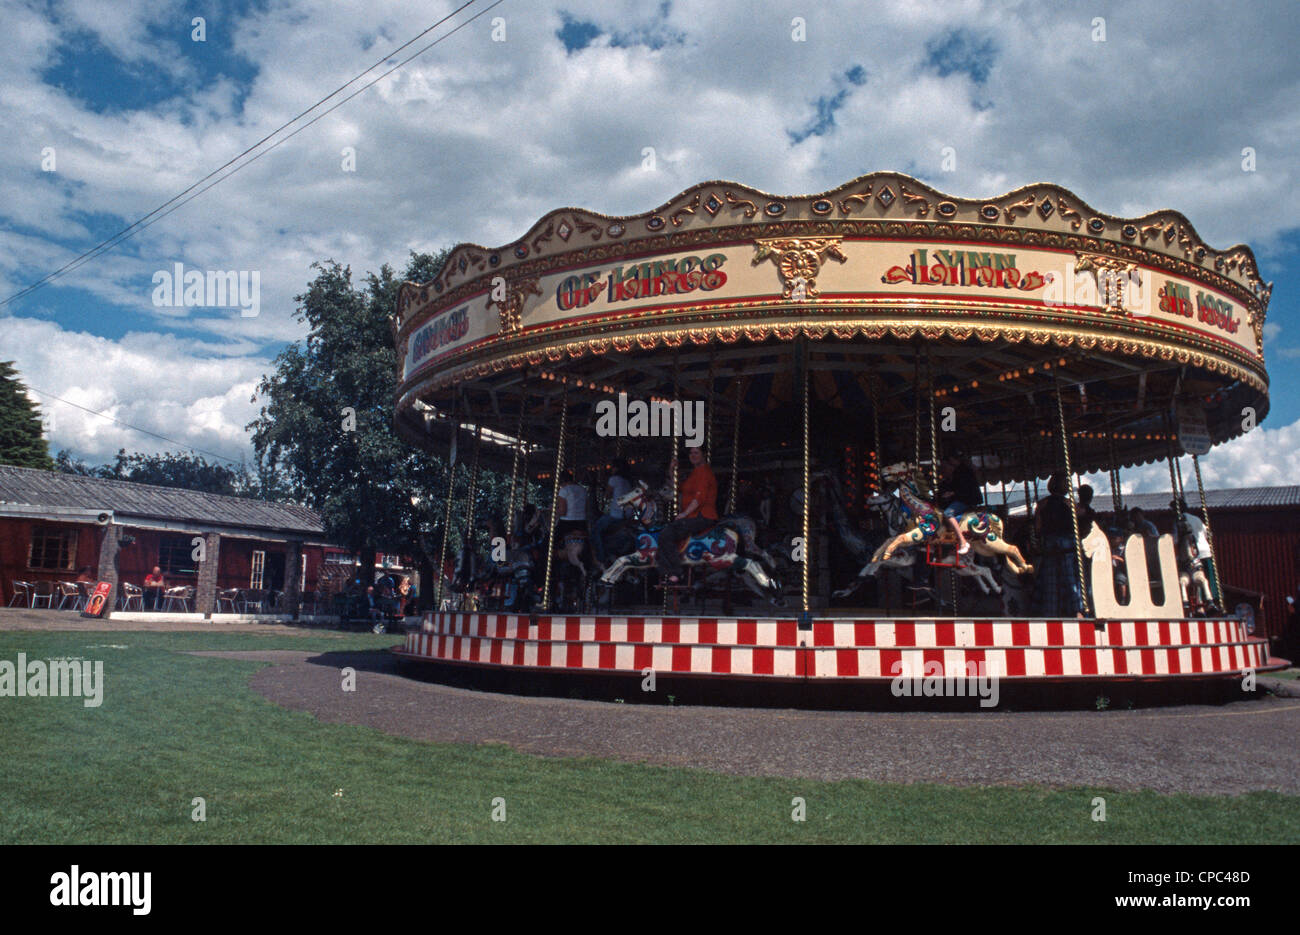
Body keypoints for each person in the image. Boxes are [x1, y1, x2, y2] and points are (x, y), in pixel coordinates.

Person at [656, 446, 718, 584]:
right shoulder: (695, 472)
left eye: (696, 452)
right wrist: (671, 470)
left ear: (704, 454)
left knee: (667, 534)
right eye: (691, 453)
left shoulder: (704, 473)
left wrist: (684, 513)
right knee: (665, 531)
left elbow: (699, 499)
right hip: (693, 516)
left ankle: (676, 573)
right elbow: (679, 488)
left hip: (702, 516)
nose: (693, 455)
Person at [1033, 475, 1083, 617]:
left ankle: (1050, 612)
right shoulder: (1069, 504)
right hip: (1067, 544)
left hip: (1050, 545)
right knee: (1072, 580)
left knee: (1050, 582)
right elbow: (1079, 524)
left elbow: (1037, 528)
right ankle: (1077, 610)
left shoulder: (1042, 504)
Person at [592, 459, 634, 567]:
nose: (611, 469)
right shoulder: (628, 482)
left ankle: (601, 558)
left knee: (595, 530)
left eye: (613, 467)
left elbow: (607, 496)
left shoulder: (614, 479)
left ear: (617, 468)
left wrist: (604, 490)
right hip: (628, 514)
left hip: (616, 515)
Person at [937, 455, 981, 554]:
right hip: (962, 498)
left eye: (946, 466)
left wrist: (952, 493)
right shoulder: (957, 473)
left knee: (948, 513)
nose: (944, 470)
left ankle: (962, 541)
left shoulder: (963, 472)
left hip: (967, 499)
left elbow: (965, 489)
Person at [554, 471, 589, 540]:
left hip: (567, 523)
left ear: (562, 481)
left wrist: (554, 511)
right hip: (582, 523)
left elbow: (563, 512)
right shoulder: (583, 490)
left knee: (551, 540)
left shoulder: (564, 490)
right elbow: (586, 508)